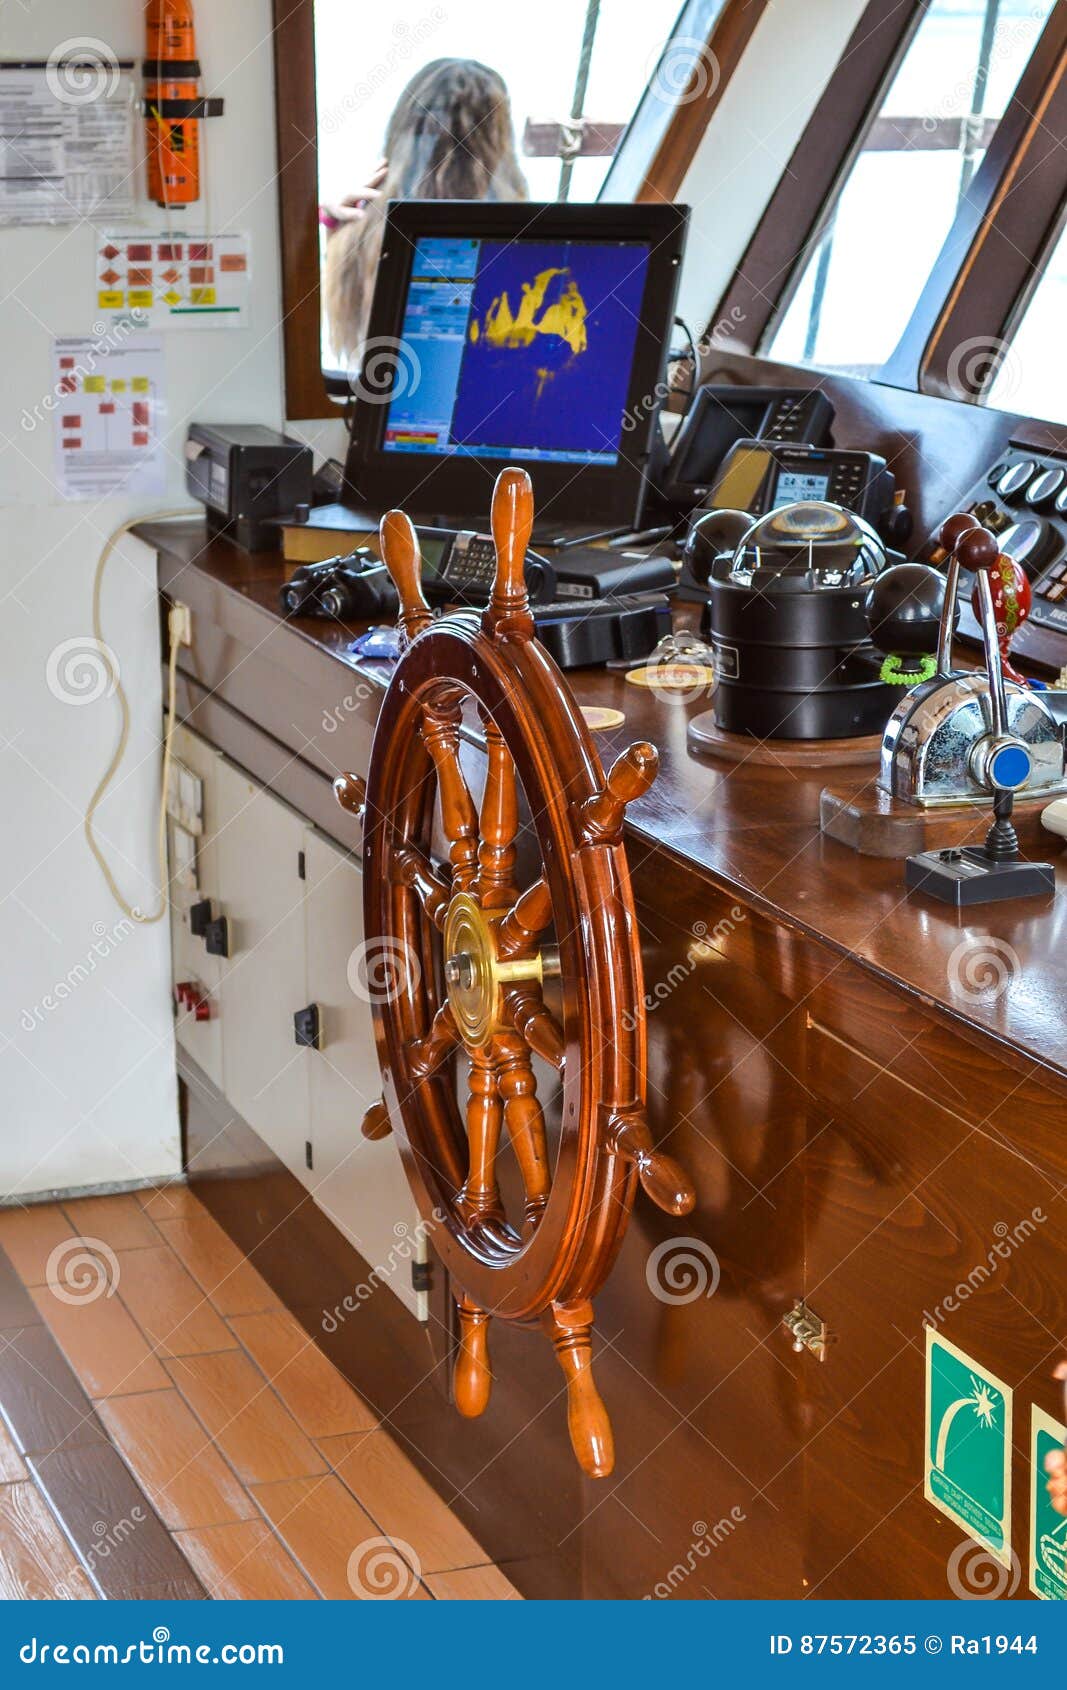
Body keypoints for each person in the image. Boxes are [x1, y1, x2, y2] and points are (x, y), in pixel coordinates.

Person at [322, 58, 528, 364]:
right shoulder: (525, 237)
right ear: (500, 138)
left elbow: (350, 349)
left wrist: (331, 230)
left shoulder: (359, 236)